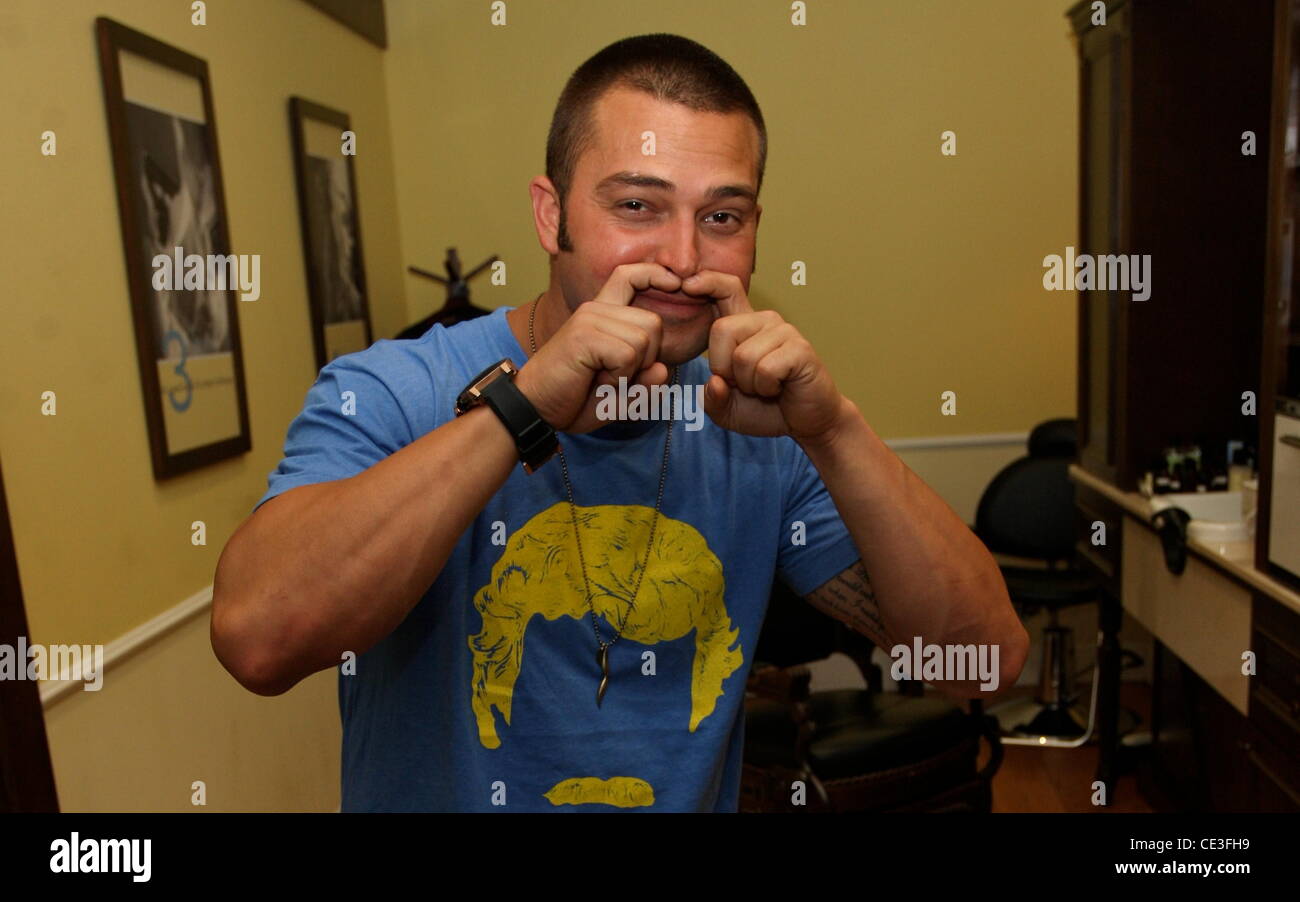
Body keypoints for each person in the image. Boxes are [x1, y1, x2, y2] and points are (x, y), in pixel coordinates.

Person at [211, 33, 1028, 812]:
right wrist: (522, 407)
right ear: (550, 214)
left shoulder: (758, 423)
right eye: (637, 205)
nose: (682, 256)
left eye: (722, 217)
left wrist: (836, 432)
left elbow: (984, 666)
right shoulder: (393, 389)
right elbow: (258, 641)